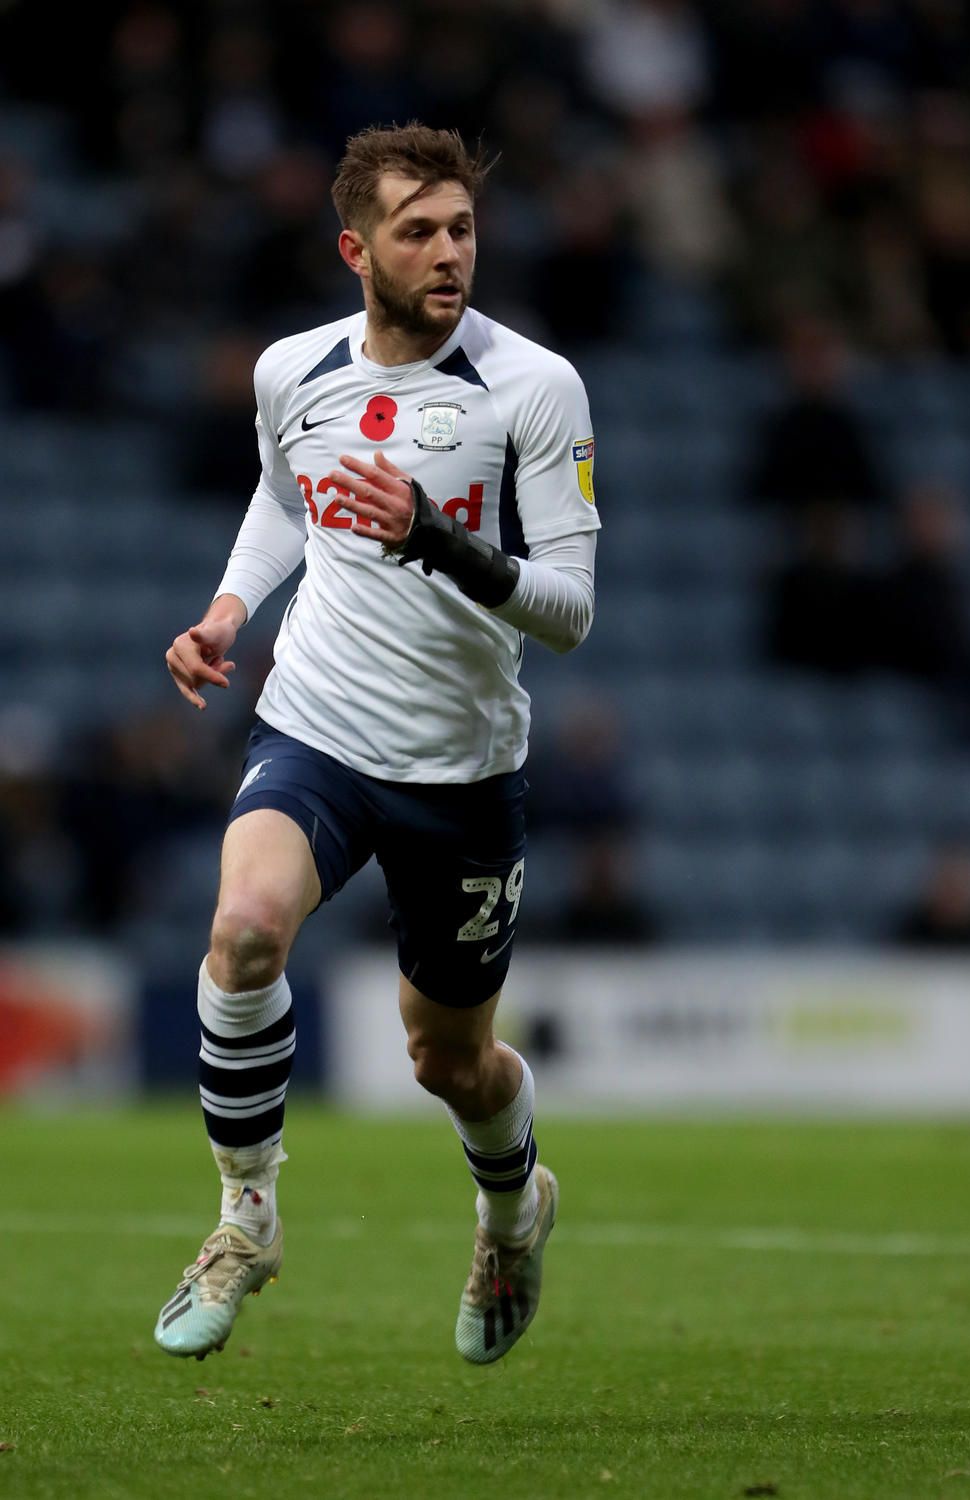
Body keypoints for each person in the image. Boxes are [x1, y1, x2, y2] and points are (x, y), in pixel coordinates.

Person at [154, 124, 600, 1368]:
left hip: (461, 769)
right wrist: (229, 611)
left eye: (461, 228)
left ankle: (513, 1214)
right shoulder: (291, 370)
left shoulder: (532, 386)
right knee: (243, 933)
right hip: (318, 724)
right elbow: (283, 498)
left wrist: (435, 540)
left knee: (447, 1063)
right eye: (418, 230)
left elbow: (569, 612)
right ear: (357, 248)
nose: (449, 251)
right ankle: (246, 1217)